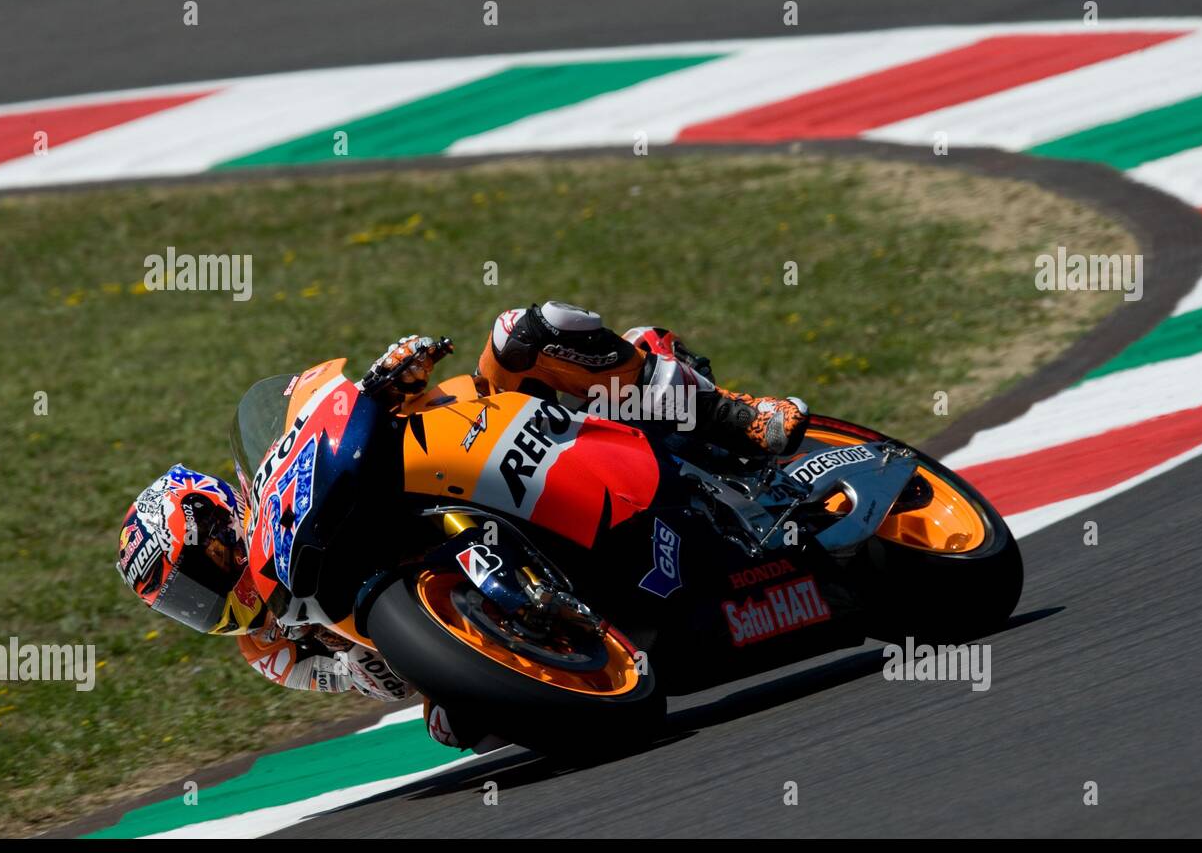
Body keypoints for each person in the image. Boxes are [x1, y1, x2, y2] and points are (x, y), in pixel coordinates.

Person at [115, 301, 809, 750]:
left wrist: (389, 376)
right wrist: (384, 668)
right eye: (185, 603)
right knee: (454, 725)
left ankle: (726, 414)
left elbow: (340, 412)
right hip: (453, 603)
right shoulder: (271, 647)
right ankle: (568, 631)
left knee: (524, 331)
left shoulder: (276, 477)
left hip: (489, 428)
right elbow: (371, 679)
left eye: (196, 574)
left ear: (214, 521)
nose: (205, 599)